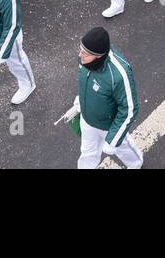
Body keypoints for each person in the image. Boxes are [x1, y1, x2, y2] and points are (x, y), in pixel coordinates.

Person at [60, 27, 142, 169]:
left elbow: (130, 109)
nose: (80, 55)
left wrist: (113, 139)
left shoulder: (119, 74)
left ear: (98, 56)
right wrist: (81, 100)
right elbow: (87, 81)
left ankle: (136, 163)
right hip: (87, 120)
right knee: (87, 153)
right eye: (80, 50)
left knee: (122, 148)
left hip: (109, 126)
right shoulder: (85, 58)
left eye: (85, 54)